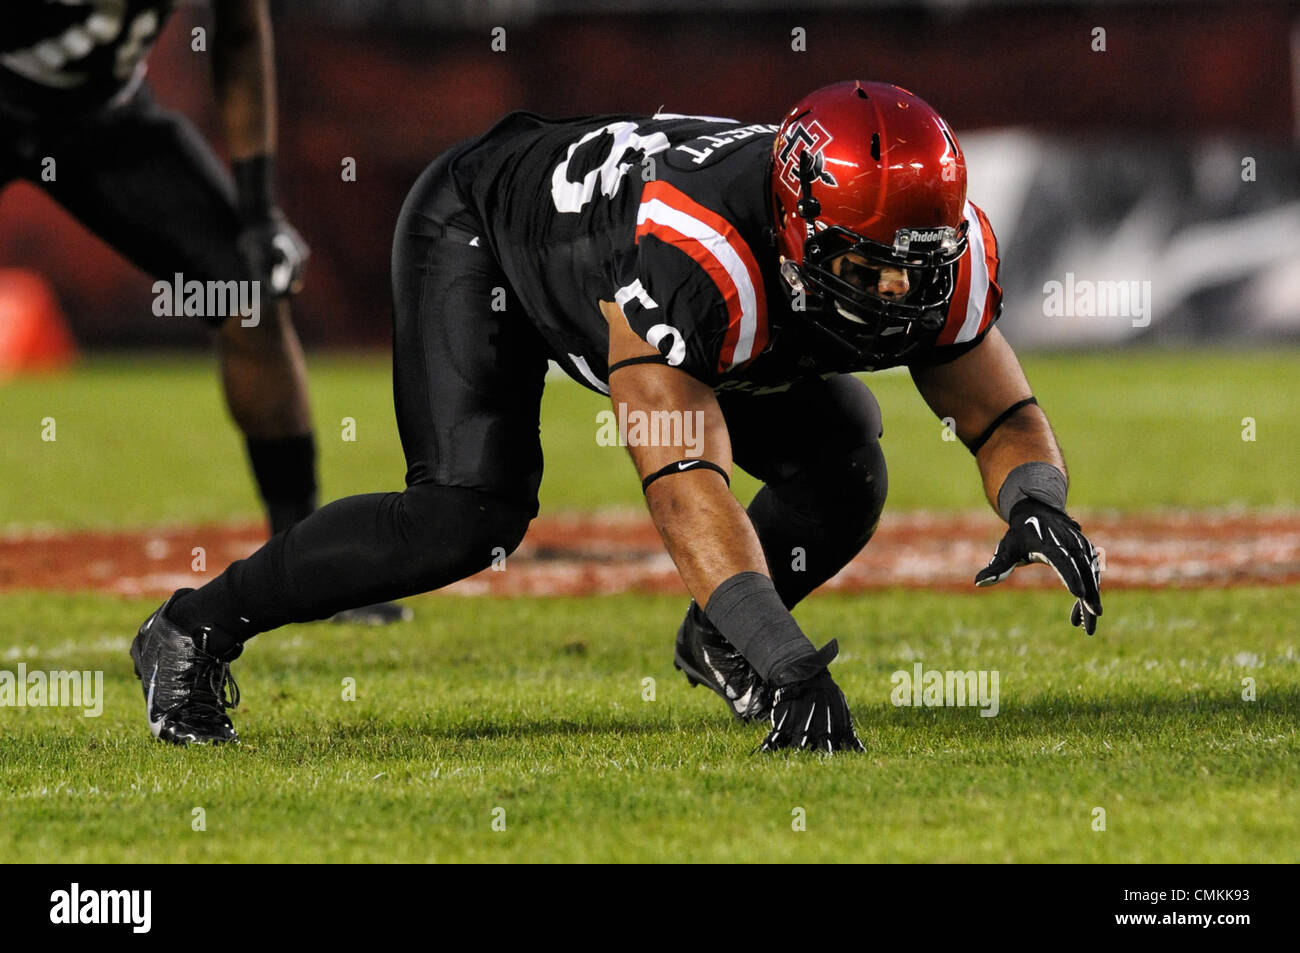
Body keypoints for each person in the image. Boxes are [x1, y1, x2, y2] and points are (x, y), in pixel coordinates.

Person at [128, 81, 1103, 751]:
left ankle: (714, 642)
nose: (897, 288)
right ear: (801, 226)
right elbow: (683, 481)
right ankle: (191, 628)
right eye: (867, 262)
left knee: (844, 461)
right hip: (490, 232)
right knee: (470, 509)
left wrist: (1036, 497)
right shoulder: (699, 250)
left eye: (914, 261)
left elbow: (999, 408)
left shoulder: (933, 253)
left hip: (678, 267)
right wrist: (788, 659)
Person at [1, 0, 407, 624]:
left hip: (99, 118)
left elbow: (240, 33)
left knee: (247, 294)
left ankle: (297, 561)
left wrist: (257, 210)